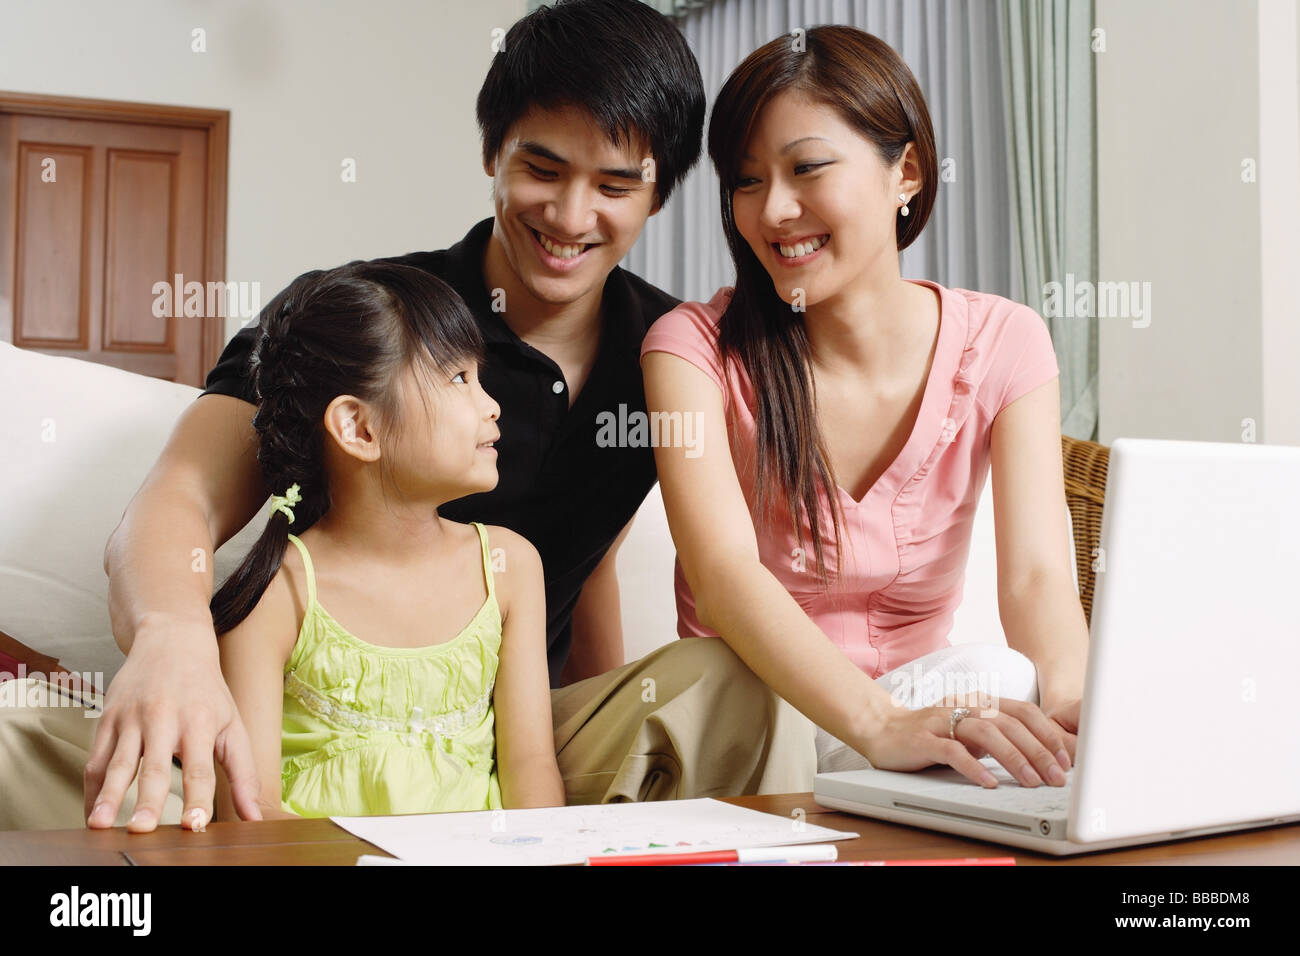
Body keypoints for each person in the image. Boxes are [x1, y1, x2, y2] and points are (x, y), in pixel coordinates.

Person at [0, 0, 814, 834]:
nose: (571, 218)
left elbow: (589, 554)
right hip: (298, 751)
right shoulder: (362, 318)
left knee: (745, 685)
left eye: (614, 186)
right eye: (542, 168)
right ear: (493, 151)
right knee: (13, 732)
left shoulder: (670, 354)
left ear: (659, 193)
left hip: (516, 745)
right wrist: (171, 631)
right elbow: (178, 501)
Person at [640, 25, 1089, 790]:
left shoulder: (1007, 340)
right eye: (745, 182)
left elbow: (1038, 580)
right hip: (754, 723)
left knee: (1003, 681)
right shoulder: (688, 348)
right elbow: (722, 575)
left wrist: (1076, 721)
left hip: (921, 724)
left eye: (806, 167)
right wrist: (877, 726)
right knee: (733, 686)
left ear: (906, 172)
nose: (773, 210)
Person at [210, 262, 562, 820]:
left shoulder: (509, 566)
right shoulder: (277, 596)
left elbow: (531, 765)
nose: (492, 405)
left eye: (480, 376)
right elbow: (246, 814)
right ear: (359, 428)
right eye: (457, 379)